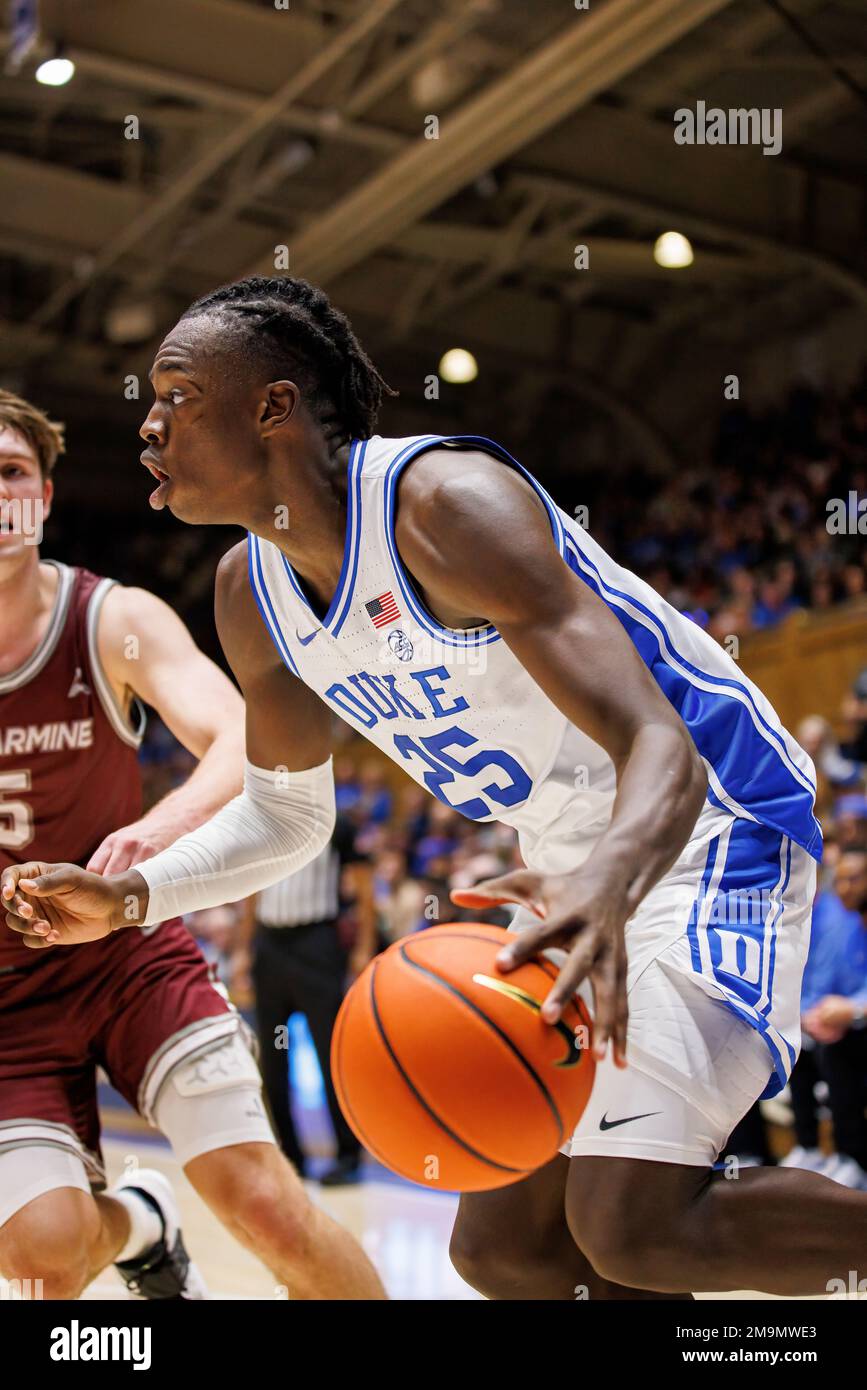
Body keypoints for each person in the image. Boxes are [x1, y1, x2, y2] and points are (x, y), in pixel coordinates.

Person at [3, 275, 865, 1301]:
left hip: (712, 821)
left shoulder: (443, 505)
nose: (146, 424)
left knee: (631, 1224)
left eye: (177, 394)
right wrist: (131, 899)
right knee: (502, 1250)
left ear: (274, 406)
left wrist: (605, 886)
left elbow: (659, 745)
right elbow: (287, 818)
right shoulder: (251, 593)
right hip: (584, 863)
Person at [0, 389, 383, 1301]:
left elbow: (240, 733)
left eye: (11, 472)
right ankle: (144, 1225)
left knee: (265, 1207)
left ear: (45, 498)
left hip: (127, 957)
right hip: (8, 999)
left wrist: (156, 826)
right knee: (44, 1255)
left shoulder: (111, 618)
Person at [232, 814, 376, 1184]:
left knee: (331, 1054)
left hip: (317, 943)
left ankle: (348, 1156)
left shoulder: (338, 824)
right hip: (270, 947)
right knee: (273, 1062)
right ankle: (289, 1157)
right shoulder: (265, 821)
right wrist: (244, 948)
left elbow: (364, 888)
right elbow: (253, 888)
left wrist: (364, 945)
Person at [800, 846, 867, 1189]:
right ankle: (842, 1155)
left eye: (853, 879)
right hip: (850, 1029)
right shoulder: (849, 924)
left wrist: (852, 1009)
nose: (844, 888)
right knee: (828, 1045)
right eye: (839, 880)